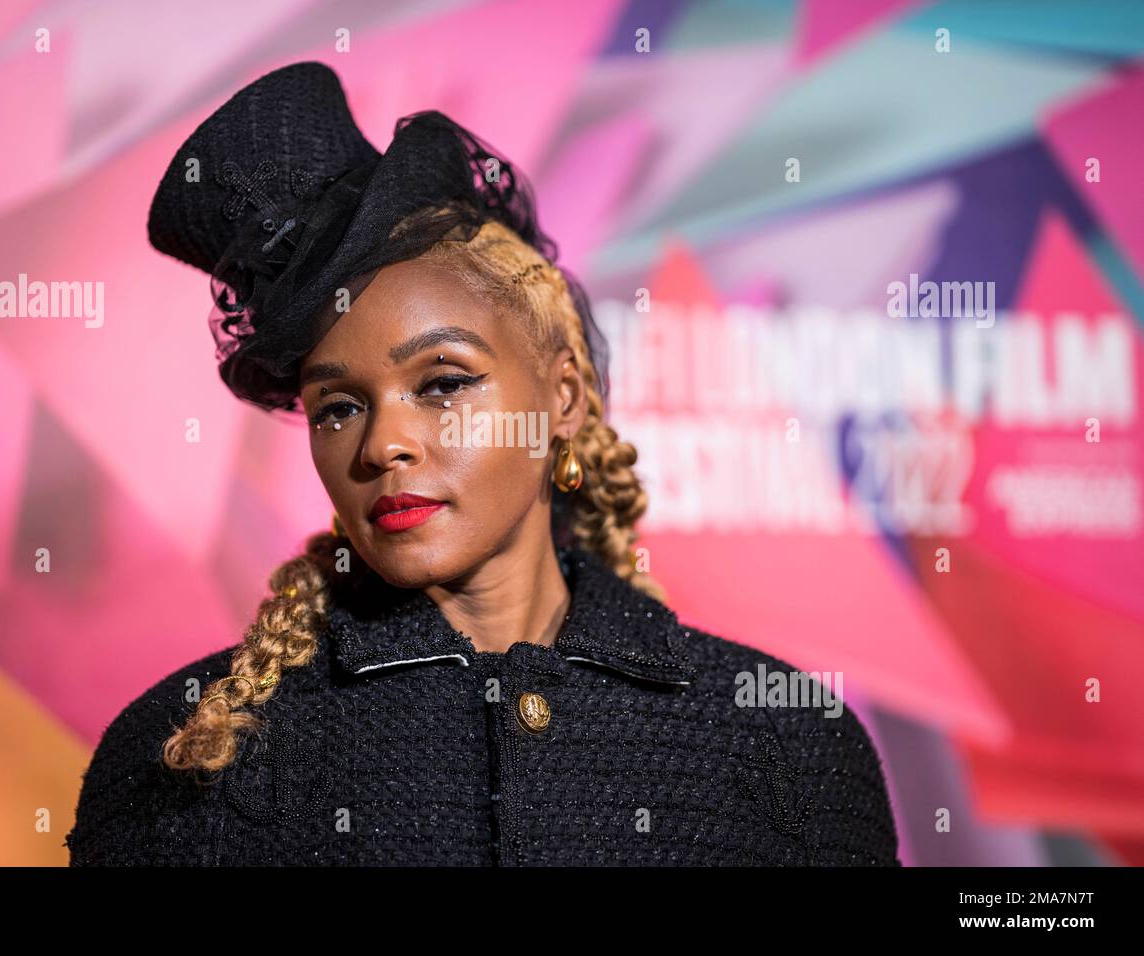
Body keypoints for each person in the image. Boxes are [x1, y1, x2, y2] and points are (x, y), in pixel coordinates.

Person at [64, 61, 900, 866]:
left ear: (562, 397)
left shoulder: (790, 749)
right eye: (340, 408)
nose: (384, 444)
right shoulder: (185, 763)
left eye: (443, 383)